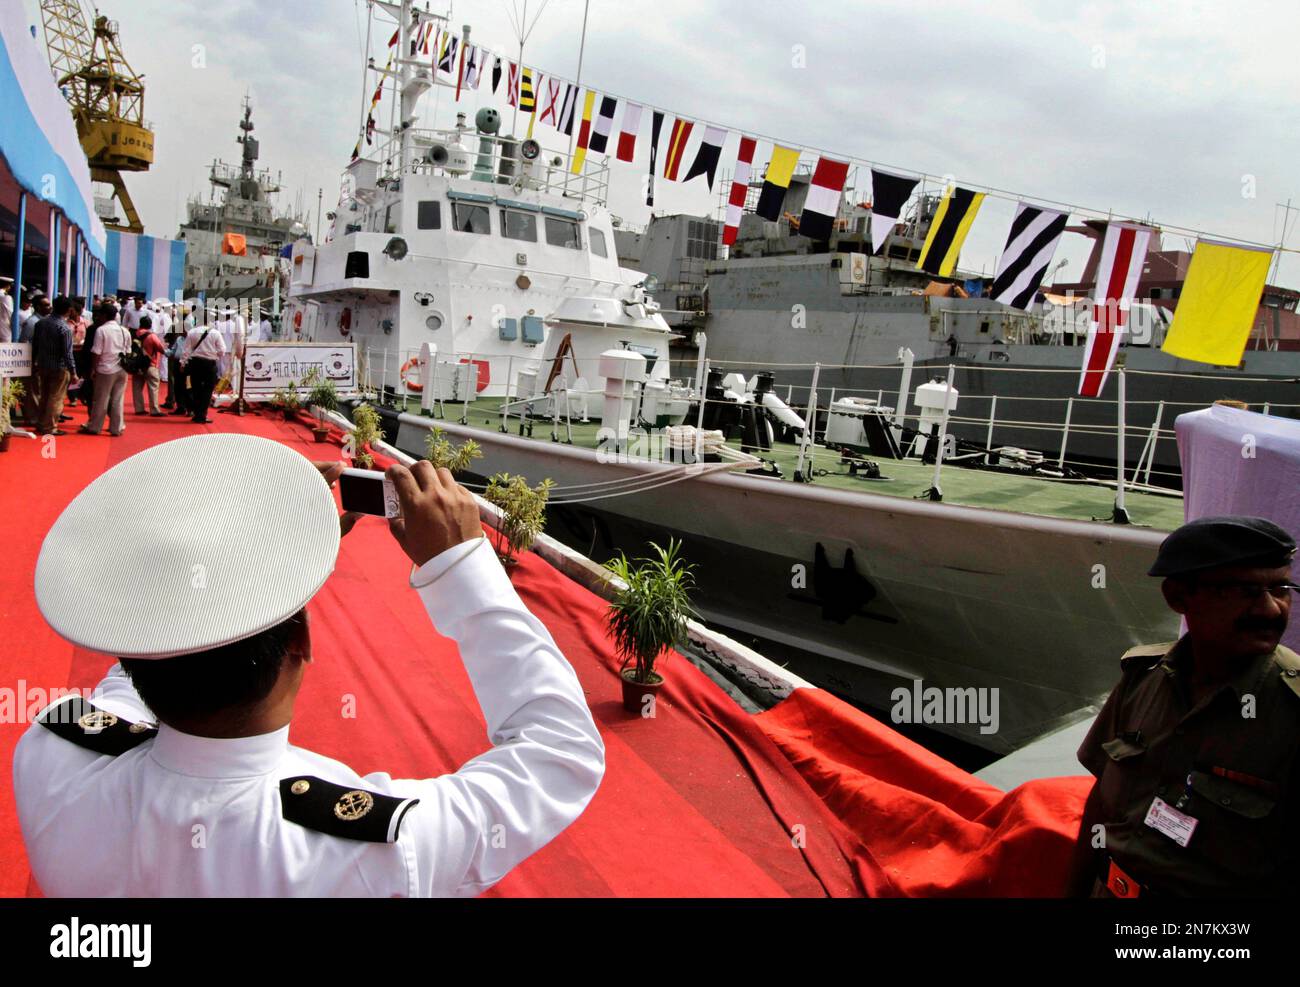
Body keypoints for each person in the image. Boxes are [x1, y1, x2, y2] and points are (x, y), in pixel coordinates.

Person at [14, 440, 605, 896]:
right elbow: (561, 751)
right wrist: (462, 567)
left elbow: (150, 648)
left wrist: (268, 568)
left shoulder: (53, 753)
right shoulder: (371, 848)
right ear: (301, 638)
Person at [1071, 515, 1300, 897]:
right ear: (1179, 597)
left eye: (1281, 588)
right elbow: (1099, 806)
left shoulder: (1291, 711)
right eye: (1243, 590)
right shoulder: (1142, 679)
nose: (1271, 609)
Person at [29, 295, 81, 435]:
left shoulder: (41, 323)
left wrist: (33, 362)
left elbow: (35, 345)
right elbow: (67, 353)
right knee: (56, 398)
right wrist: (74, 372)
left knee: (44, 395)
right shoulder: (64, 328)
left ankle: (41, 423)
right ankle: (50, 427)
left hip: (43, 365)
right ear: (69, 310)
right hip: (59, 367)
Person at [79, 302, 132, 436]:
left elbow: (97, 352)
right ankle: (116, 427)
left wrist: (93, 369)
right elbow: (128, 350)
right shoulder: (125, 330)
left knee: (101, 399)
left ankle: (95, 426)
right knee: (117, 400)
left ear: (104, 315)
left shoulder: (101, 330)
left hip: (105, 369)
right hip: (122, 368)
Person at [182, 314, 226, 424]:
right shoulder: (215, 333)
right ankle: (202, 414)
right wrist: (213, 354)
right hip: (209, 364)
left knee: (196, 388)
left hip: (195, 363)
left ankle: (197, 413)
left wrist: (182, 363)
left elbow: (186, 350)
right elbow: (222, 350)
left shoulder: (192, 332)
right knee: (208, 390)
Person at [130, 315, 167, 417]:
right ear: (150, 325)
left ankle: (139, 408)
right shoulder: (151, 336)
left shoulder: (134, 334)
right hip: (150, 364)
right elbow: (161, 349)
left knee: (137, 387)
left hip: (136, 365)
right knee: (153, 387)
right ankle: (154, 409)